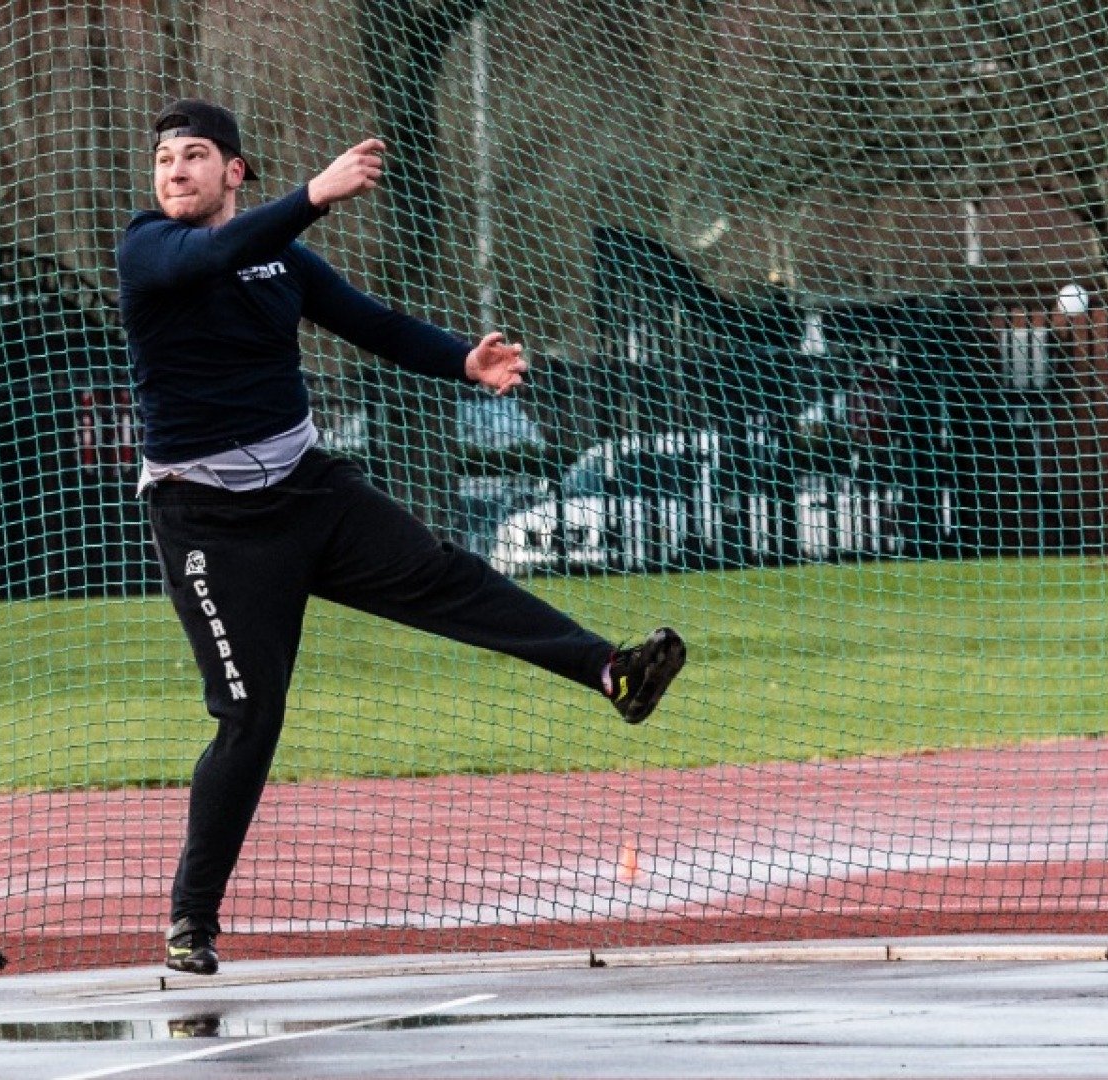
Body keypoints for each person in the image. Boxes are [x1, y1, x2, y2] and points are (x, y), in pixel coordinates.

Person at [116, 99, 686, 975]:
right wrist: (317, 191)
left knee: (448, 575)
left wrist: (464, 359)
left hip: (308, 490)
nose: (174, 171)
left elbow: (371, 324)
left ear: (235, 173)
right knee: (249, 718)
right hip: (211, 525)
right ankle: (192, 921)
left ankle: (610, 671)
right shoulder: (150, 248)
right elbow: (218, 252)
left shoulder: (285, 266)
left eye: (194, 156)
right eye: (164, 159)